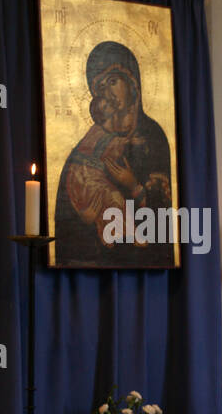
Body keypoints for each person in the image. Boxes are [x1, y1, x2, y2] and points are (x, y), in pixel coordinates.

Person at [55, 40, 172, 265]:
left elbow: (164, 221)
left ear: (132, 83)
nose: (107, 93)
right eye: (100, 88)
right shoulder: (90, 142)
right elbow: (70, 228)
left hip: (146, 263)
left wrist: (133, 185)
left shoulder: (154, 137)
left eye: (112, 81)